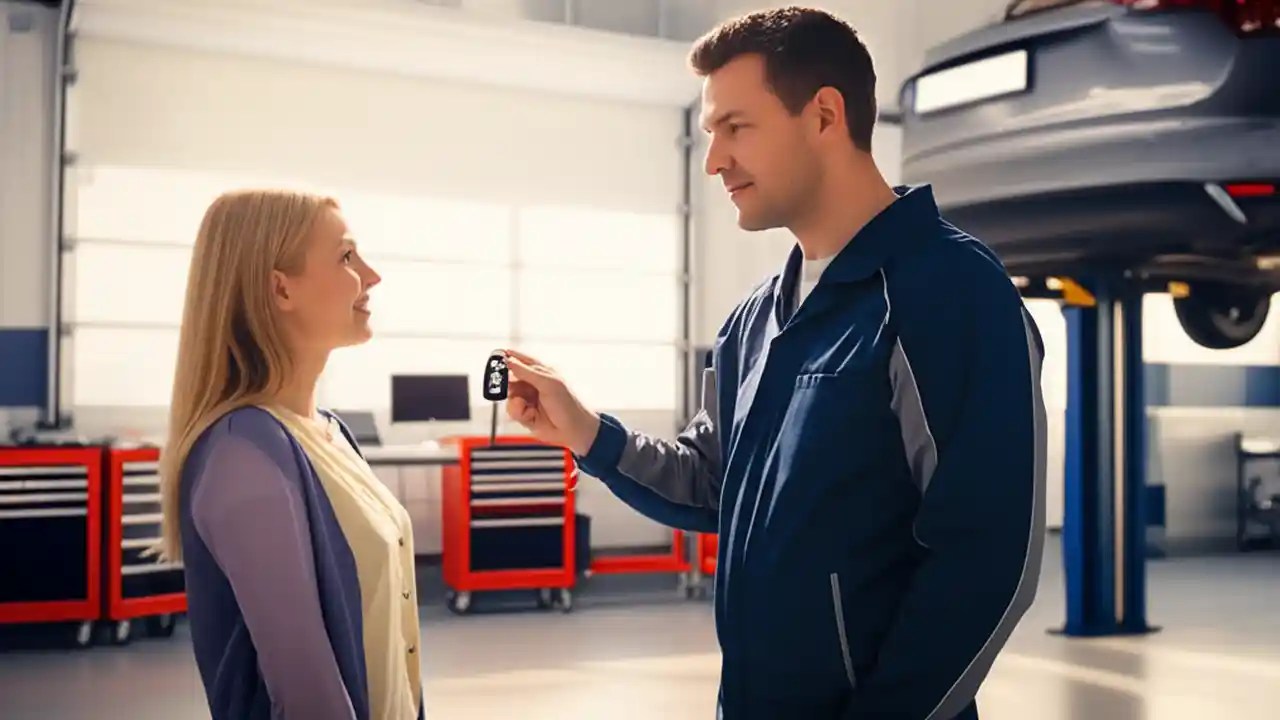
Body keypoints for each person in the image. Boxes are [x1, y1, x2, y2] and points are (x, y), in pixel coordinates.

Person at [503, 7, 1046, 720]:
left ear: (824, 115)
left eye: (737, 127)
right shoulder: (756, 319)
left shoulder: (946, 290)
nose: (713, 160)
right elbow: (713, 483)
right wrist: (587, 435)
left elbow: (987, 559)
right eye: (710, 134)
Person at [155, 190, 425, 720]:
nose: (371, 276)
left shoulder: (329, 433)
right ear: (280, 288)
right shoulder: (245, 457)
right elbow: (310, 700)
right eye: (347, 257)